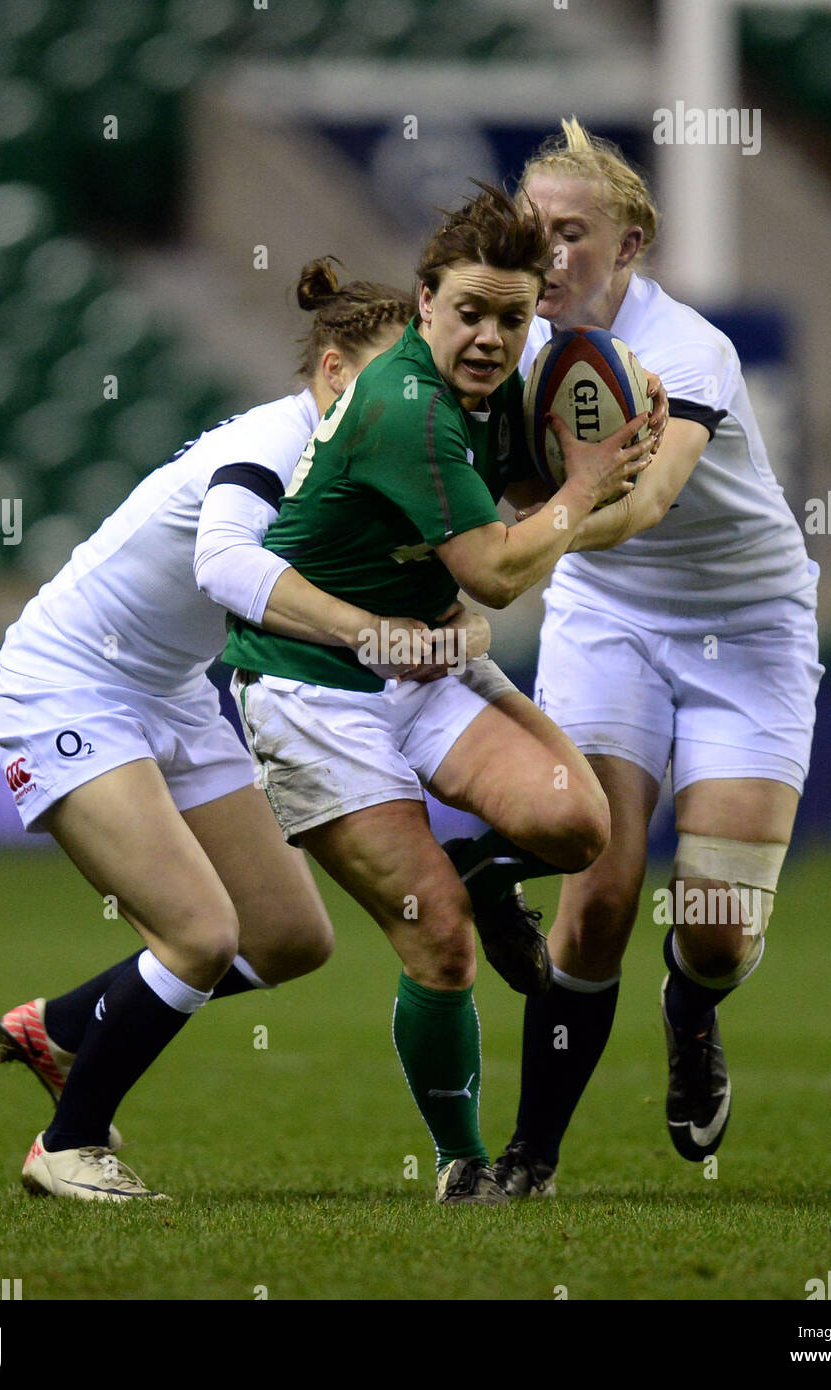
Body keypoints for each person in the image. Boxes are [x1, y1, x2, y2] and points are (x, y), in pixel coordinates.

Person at [223, 185, 657, 1205]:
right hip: (311, 684)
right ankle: (464, 1163)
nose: (491, 336)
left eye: (512, 316)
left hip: (420, 660)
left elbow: (531, 516)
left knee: (579, 823)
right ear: (424, 304)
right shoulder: (407, 406)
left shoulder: (503, 387)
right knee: (440, 939)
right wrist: (587, 486)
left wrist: (613, 443)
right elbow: (501, 570)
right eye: (470, 311)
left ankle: (481, 866)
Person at [0, 262, 455, 1200]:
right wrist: (371, 634)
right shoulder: (272, 444)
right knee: (199, 936)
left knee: (287, 938)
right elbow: (225, 565)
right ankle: (68, 1146)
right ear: (331, 374)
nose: (412, 405)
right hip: (70, 685)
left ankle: (66, 1026)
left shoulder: (360, 469)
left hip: (173, 693)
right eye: (396, 382)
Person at [492, 119, 824, 1197]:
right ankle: (529, 1161)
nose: (547, 252)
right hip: (609, 622)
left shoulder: (689, 349)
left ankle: (690, 1011)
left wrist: (524, 543)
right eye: (531, 229)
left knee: (718, 931)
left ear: (630, 243)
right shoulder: (511, 346)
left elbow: (648, 498)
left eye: (572, 233)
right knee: (597, 895)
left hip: (750, 629)